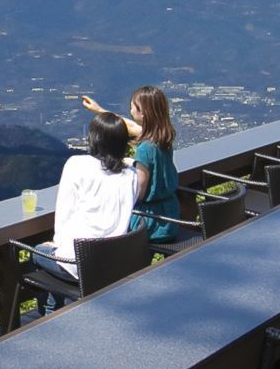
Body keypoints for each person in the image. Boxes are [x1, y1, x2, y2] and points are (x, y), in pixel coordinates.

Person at [34, 111, 139, 283]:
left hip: (77, 262)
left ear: (94, 139)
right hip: (114, 264)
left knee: (38, 252)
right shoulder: (132, 175)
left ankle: (50, 309)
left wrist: (57, 244)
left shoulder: (77, 165)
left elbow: (64, 212)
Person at [82, 85, 180, 243]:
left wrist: (130, 166)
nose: (130, 109)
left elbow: (139, 193)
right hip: (169, 217)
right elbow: (129, 126)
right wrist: (99, 110)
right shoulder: (162, 137)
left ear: (143, 113)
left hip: (149, 222)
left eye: (133, 106)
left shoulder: (145, 149)